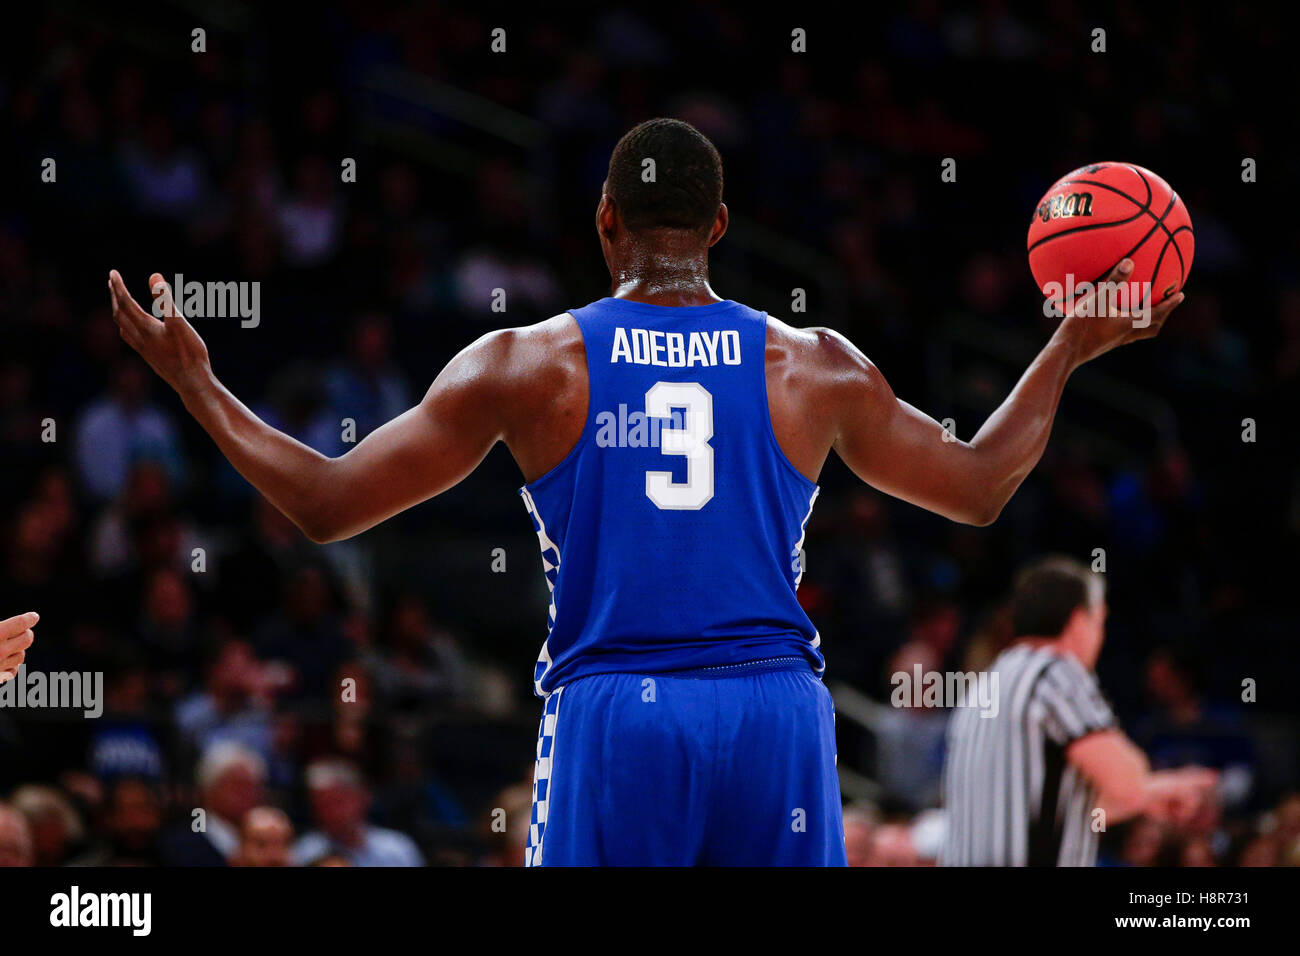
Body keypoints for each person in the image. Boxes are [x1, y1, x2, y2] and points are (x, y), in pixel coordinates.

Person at [108, 118, 1183, 866]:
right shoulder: (813, 365)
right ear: (719, 228)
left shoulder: (528, 364)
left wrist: (198, 382)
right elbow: (982, 485)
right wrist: (1068, 346)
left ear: (604, 219)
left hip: (622, 707)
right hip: (775, 712)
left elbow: (325, 503)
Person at [940, 557, 1217, 866]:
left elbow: (1046, 811)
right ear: (1078, 621)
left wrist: (1151, 794)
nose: (1100, 638)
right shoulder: (1055, 674)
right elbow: (1125, 783)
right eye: (1099, 622)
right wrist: (1143, 786)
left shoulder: (988, 682)